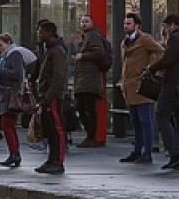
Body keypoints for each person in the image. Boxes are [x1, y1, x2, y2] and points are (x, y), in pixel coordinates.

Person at [148, 14, 179, 171]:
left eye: (166, 26)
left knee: (162, 115)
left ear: (172, 25)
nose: (166, 30)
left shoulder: (176, 38)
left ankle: (175, 152)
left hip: (175, 84)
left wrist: (152, 68)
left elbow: (168, 59)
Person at [118, 13, 164, 164]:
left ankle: (147, 153)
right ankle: (137, 150)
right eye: (125, 23)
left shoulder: (145, 39)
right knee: (135, 121)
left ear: (137, 25)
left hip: (141, 85)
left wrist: (151, 69)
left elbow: (160, 51)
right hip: (128, 86)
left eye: (129, 24)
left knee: (145, 121)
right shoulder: (125, 42)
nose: (126, 26)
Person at [32, 20, 71, 174]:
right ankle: (51, 159)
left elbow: (58, 77)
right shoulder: (47, 49)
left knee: (57, 129)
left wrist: (48, 96)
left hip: (53, 96)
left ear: (50, 33)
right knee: (49, 129)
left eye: (42, 32)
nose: (39, 35)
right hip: (46, 95)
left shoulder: (57, 51)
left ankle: (58, 161)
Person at [0, 33, 35, 168]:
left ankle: (14, 153)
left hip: (11, 94)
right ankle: (14, 153)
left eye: (1, 45)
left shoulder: (14, 55)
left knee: (7, 124)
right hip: (6, 93)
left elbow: (17, 74)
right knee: (8, 125)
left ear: (8, 42)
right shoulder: (7, 56)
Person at [72, 15, 113, 148]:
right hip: (83, 78)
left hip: (89, 79)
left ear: (92, 23)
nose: (83, 24)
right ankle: (90, 135)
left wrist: (82, 56)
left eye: (86, 21)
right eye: (82, 21)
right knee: (81, 106)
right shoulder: (85, 37)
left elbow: (99, 52)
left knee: (88, 108)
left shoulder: (93, 36)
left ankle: (91, 136)